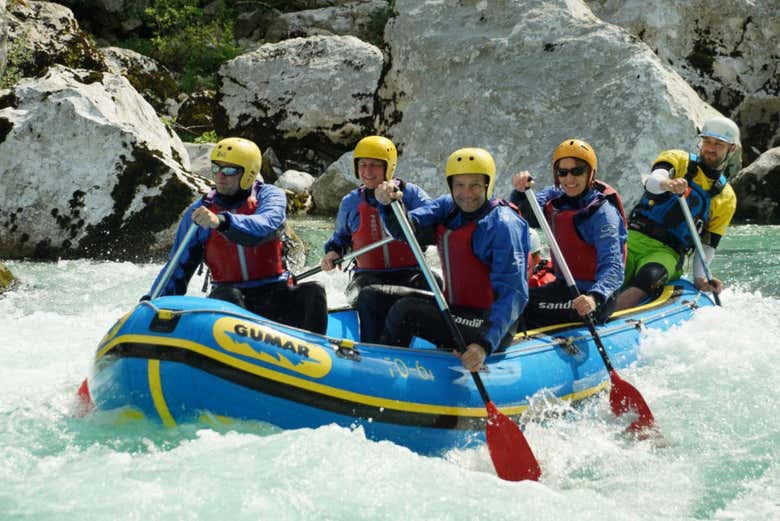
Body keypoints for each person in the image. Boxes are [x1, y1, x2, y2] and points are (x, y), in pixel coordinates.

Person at [363, 147, 530, 372]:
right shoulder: (447, 207)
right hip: (455, 309)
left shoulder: (503, 224)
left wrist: (483, 345)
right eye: (459, 185)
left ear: (487, 185)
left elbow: (513, 293)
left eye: (475, 185)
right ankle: (366, 361)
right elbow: (406, 230)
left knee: (406, 311)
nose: (466, 193)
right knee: (372, 296)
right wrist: (389, 205)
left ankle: (385, 371)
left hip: (489, 324)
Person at [146, 137, 328, 333]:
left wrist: (222, 221)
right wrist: (151, 304)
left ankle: (313, 349)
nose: (220, 176)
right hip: (228, 299)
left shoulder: (270, 196)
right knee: (229, 296)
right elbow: (177, 269)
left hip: (276, 293)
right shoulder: (198, 212)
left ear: (249, 174)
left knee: (314, 291)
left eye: (230, 170)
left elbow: (263, 226)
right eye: (216, 168)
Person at [615, 116, 739, 310]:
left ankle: (605, 320)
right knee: (608, 272)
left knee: (650, 277)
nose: (710, 148)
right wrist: (667, 183)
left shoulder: (726, 197)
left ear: (731, 149)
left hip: (668, 252)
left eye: (718, 144)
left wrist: (700, 278)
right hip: (633, 237)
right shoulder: (678, 160)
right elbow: (653, 182)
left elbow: (708, 244)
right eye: (707, 141)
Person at [510, 139, 627, 328]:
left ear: (590, 173)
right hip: (564, 287)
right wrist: (520, 192)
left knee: (520, 308)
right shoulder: (555, 195)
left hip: (595, 297)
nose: (569, 179)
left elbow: (613, 266)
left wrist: (594, 298)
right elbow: (520, 216)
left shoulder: (603, 213)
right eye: (562, 172)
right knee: (510, 300)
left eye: (577, 171)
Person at [320, 135, 434, 306]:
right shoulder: (351, 202)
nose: (367, 171)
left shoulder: (412, 194)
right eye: (362, 164)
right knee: (367, 293)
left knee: (436, 282)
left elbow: (433, 220)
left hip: (411, 273)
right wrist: (333, 252)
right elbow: (341, 238)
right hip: (367, 276)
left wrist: (397, 204)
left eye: (374, 165)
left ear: (388, 166)